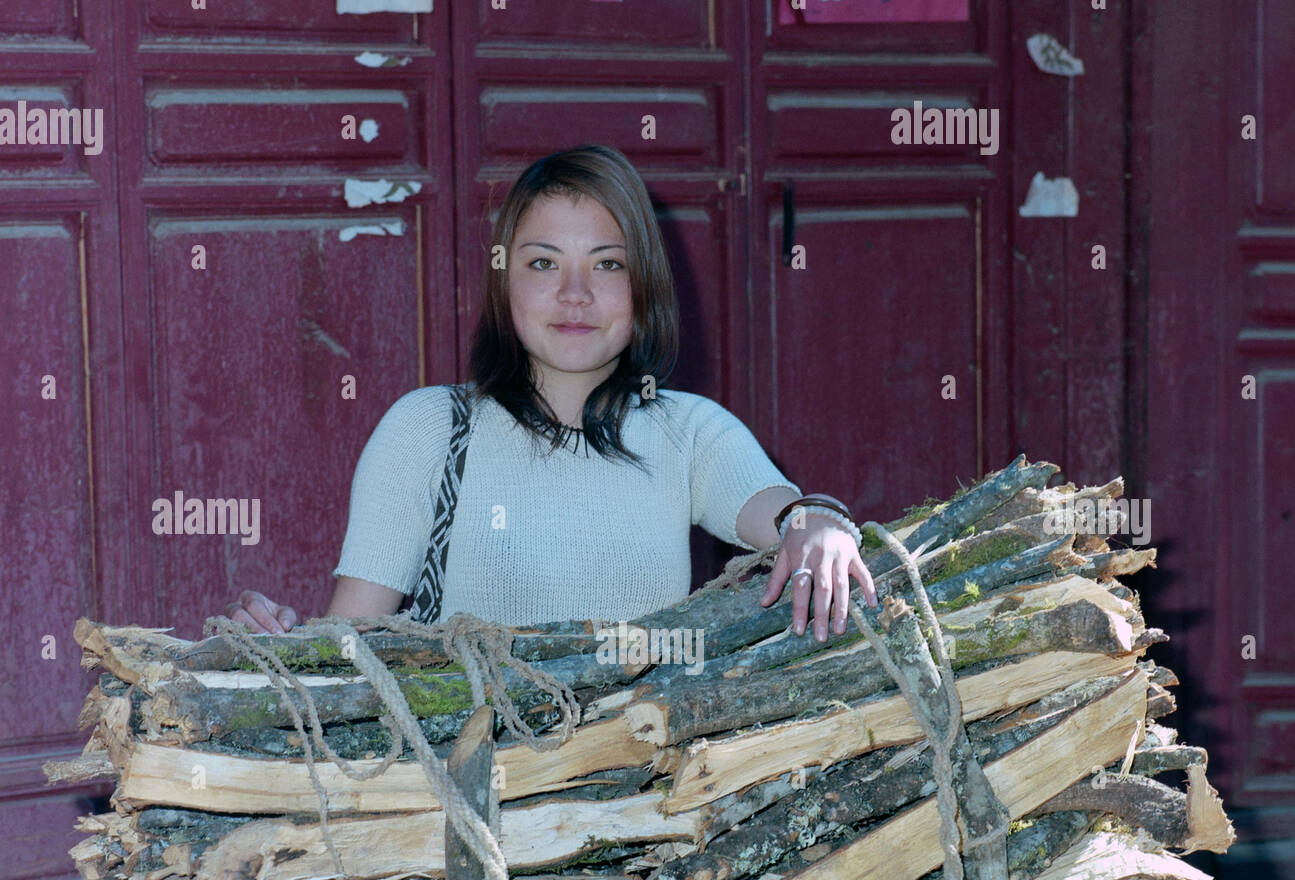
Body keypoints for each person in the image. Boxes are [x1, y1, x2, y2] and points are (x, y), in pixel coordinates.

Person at [223, 145, 876, 646]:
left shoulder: (690, 431)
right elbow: (349, 647)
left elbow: (787, 515)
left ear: (641, 286)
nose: (575, 294)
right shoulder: (428, 429)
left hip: (638, 796)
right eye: (543, 263)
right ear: (505, 283)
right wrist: (282, 652)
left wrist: (818, 528)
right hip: (475, 795)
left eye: (607, 264)